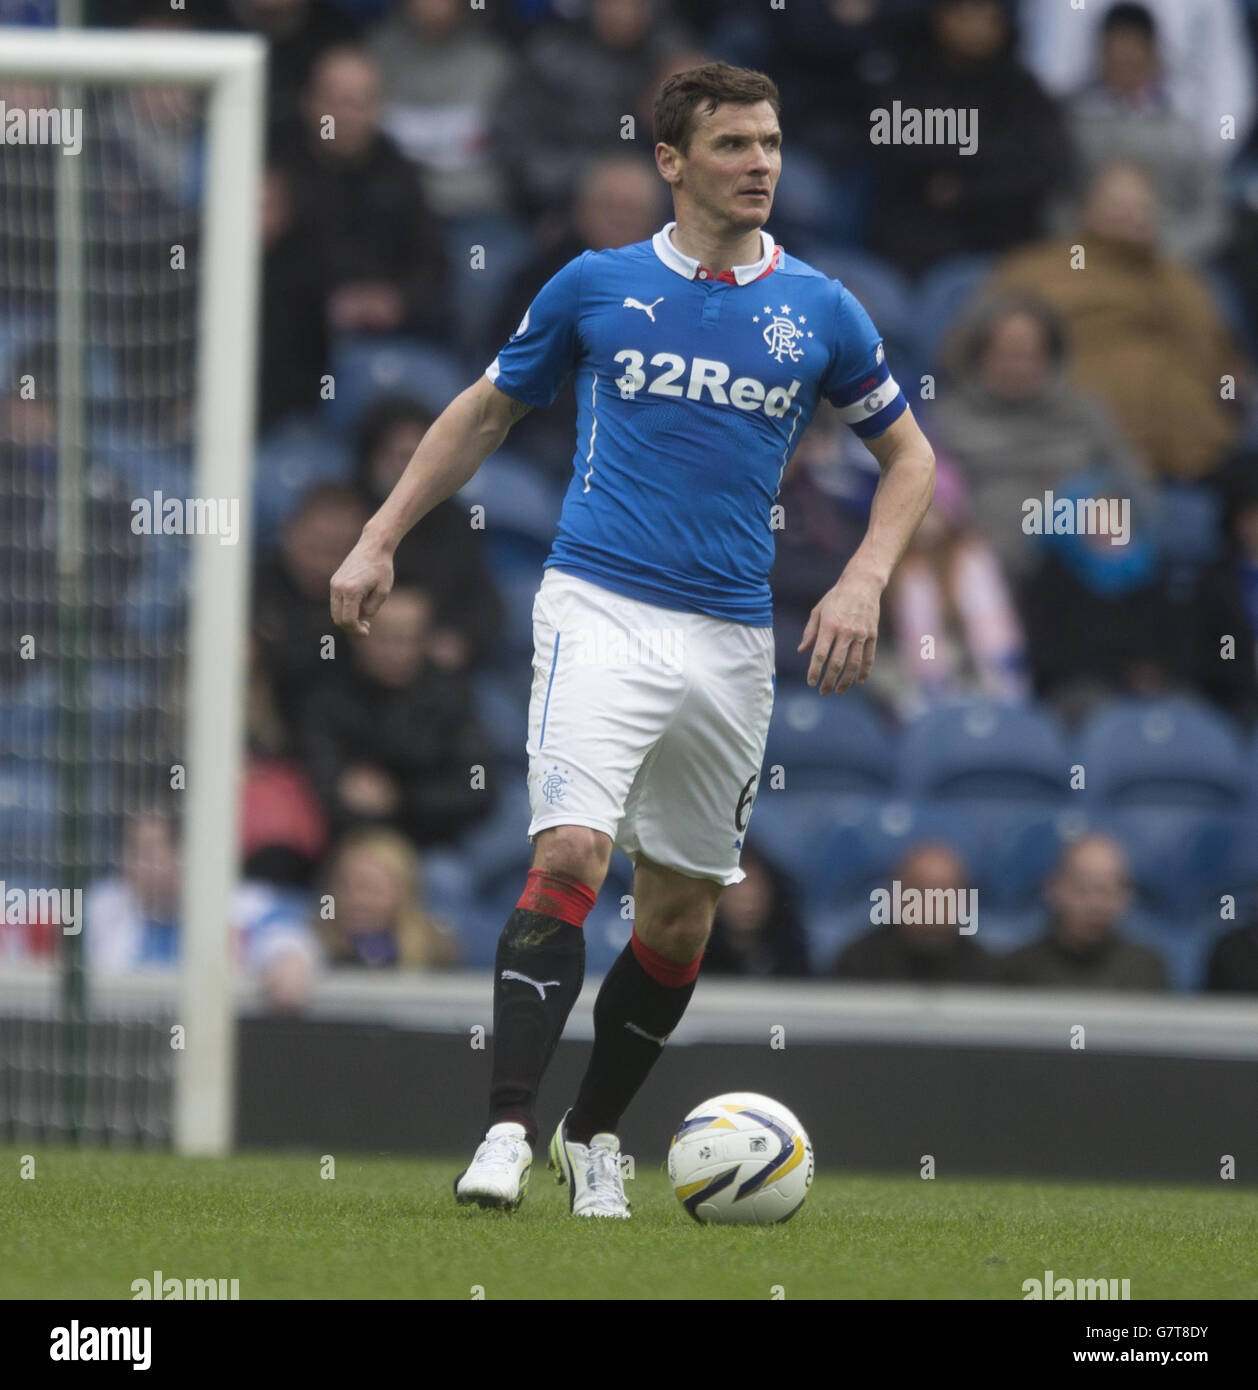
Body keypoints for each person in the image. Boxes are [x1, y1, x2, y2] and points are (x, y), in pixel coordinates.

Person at [330, 61, 935, 1218]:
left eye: (768, 142)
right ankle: (504, 1127)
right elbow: (485, 410)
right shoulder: (596, 286)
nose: (760, 161)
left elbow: (909, 456)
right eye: (732, 145)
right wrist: (378, 536)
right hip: (600, 604)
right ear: (671, 161)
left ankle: (592, 1131)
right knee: (569, 855)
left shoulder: (820, 305)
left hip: (729, 637)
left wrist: (862, 579)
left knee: (677, 912)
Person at [1001, 834, 1167, 990]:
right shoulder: (1019, 970)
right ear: (1053, 889)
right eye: (1082, 890)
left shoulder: (1146, 970)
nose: (1096, 905)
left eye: (1107, 891)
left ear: (1127, 896)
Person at [834, 843, 997, 984]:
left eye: (946, 895)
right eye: (921, 893)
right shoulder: (859, 964)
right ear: (896, 895)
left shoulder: (986, 972)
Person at [320, 826, 460, 969]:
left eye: (368, 888)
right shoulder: (312, 945)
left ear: (403, 892)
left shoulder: (438, 951)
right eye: (342, 886)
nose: (354, 900)